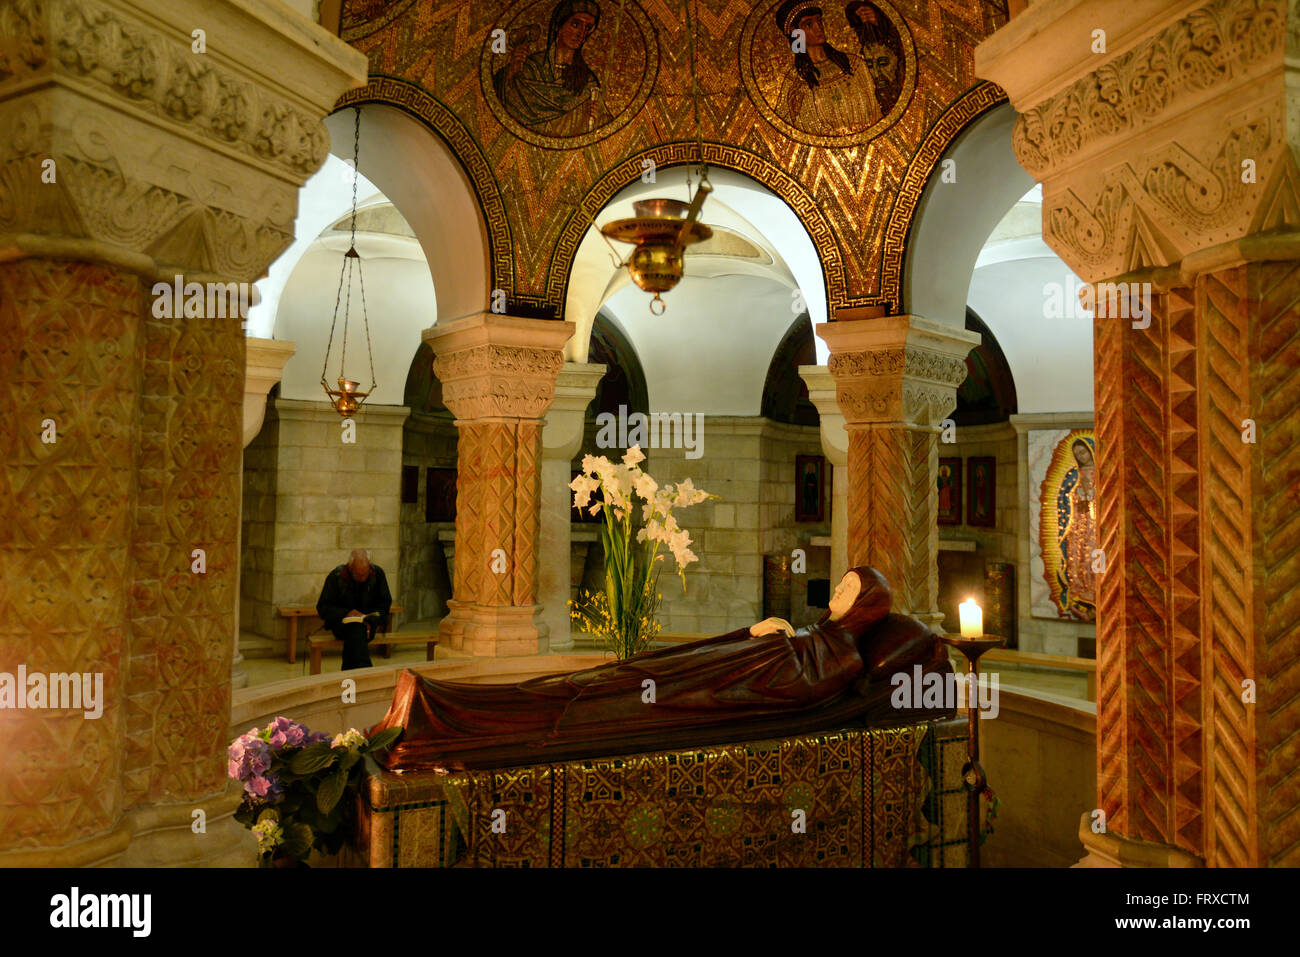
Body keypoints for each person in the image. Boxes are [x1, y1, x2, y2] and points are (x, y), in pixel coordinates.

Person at [370, 566, 952, 771]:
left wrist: (767, 649)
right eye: (843, 584)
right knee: (581, 683)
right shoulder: (816, 637)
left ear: (867, 607)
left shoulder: (842, 656)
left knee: (581, 702)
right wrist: (760, 636)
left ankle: (444, 716)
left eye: (851, 590)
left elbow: (782, 696)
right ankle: (441, 707)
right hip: (689, 677)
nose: (838, 593)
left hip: (691, 696)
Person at [494, 0, 610, 136]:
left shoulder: (587, 81)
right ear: (558, 26)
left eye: (587, 28)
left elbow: (604, 126)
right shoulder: (530, 67)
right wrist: (513, 68)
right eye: (575, 24)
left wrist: (597, 118)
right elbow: (503, 101)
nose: (581, 33)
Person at [776, 1, 881, 135]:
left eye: (819, 21)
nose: (818, 28)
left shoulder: (854, 64)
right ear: (795, 32)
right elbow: (784, 131)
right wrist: (794, 113)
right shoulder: (795, 80)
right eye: (808, 24)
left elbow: (876, 111)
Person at [316, 549, 393, 671]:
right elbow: (323, 608)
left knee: (358, 631)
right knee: (356, 629)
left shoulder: (377, 574)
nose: (362, 579)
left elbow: (385, 603)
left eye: (365, 574)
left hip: (369, 625)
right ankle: (365, 672)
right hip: (342, 626)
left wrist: (371, 619)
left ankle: (350, 675)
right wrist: (346, 613)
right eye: (359, 575)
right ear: (350, 568)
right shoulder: (336, 577)